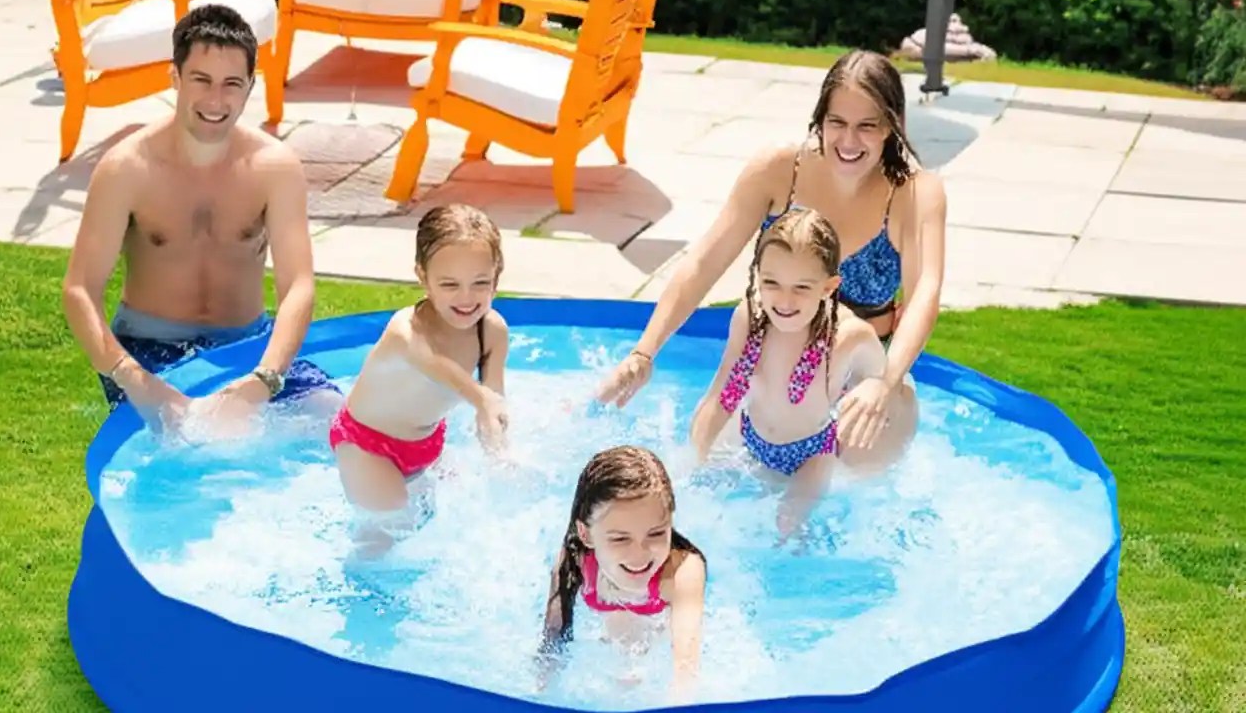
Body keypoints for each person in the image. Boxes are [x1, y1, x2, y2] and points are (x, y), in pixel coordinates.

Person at [596, 49, 945, 458]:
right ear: (820, 119)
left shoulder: (915, 193)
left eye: (867, 126)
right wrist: (645, 351)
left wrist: (884, 384)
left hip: (861, 372)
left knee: (852, 495)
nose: (849, 141)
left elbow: (926, 293)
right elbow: (706, 260)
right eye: (837, 123)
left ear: (892, 125)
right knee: (702, 464)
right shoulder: (780, 170)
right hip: (771, 359)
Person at [61, 4, 338, 435]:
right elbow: (80, 290)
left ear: (250, 86)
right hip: (148, 350)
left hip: (249, 344)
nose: (216, 100)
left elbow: (298, 286)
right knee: (208, 445)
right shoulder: (127, 169)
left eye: (232, 84)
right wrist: (136, 380)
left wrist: (265, 377)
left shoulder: (274, 168)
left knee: (346, 430)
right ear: (175, 78)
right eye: (201, 80)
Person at [689, 209, 890, 541]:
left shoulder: (847, 335)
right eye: (771, 283)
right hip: (750, 437)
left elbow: (881, 379)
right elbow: (722, 392)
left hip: (811, 454)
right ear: (757, 276)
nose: (784, 300)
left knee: (787, 526)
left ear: (828, 287)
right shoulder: (750, 317)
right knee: (705, 501)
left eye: (801, 287)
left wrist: (874, 388)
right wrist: (694, 457)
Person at [330, 203, 511, 558]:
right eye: (449, 284)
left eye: (480, 283)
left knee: (434, 523)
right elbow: (438, 367)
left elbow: (493, 405)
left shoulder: (491, 331)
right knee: (387, 533)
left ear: (497, 278)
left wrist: (499, 457)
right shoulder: (405, 329)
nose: (466, 297)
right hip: (366, 445)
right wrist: (483, 399)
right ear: (422, 277)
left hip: (427, 443)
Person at [538, 445, 707, 701]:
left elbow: (685, 670)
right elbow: (552, 645)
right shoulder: (575, 560)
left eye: (656, 533)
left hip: (658, 620)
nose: (639, 555)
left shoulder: (682, 571)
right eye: (620, 539)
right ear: (586, 534)